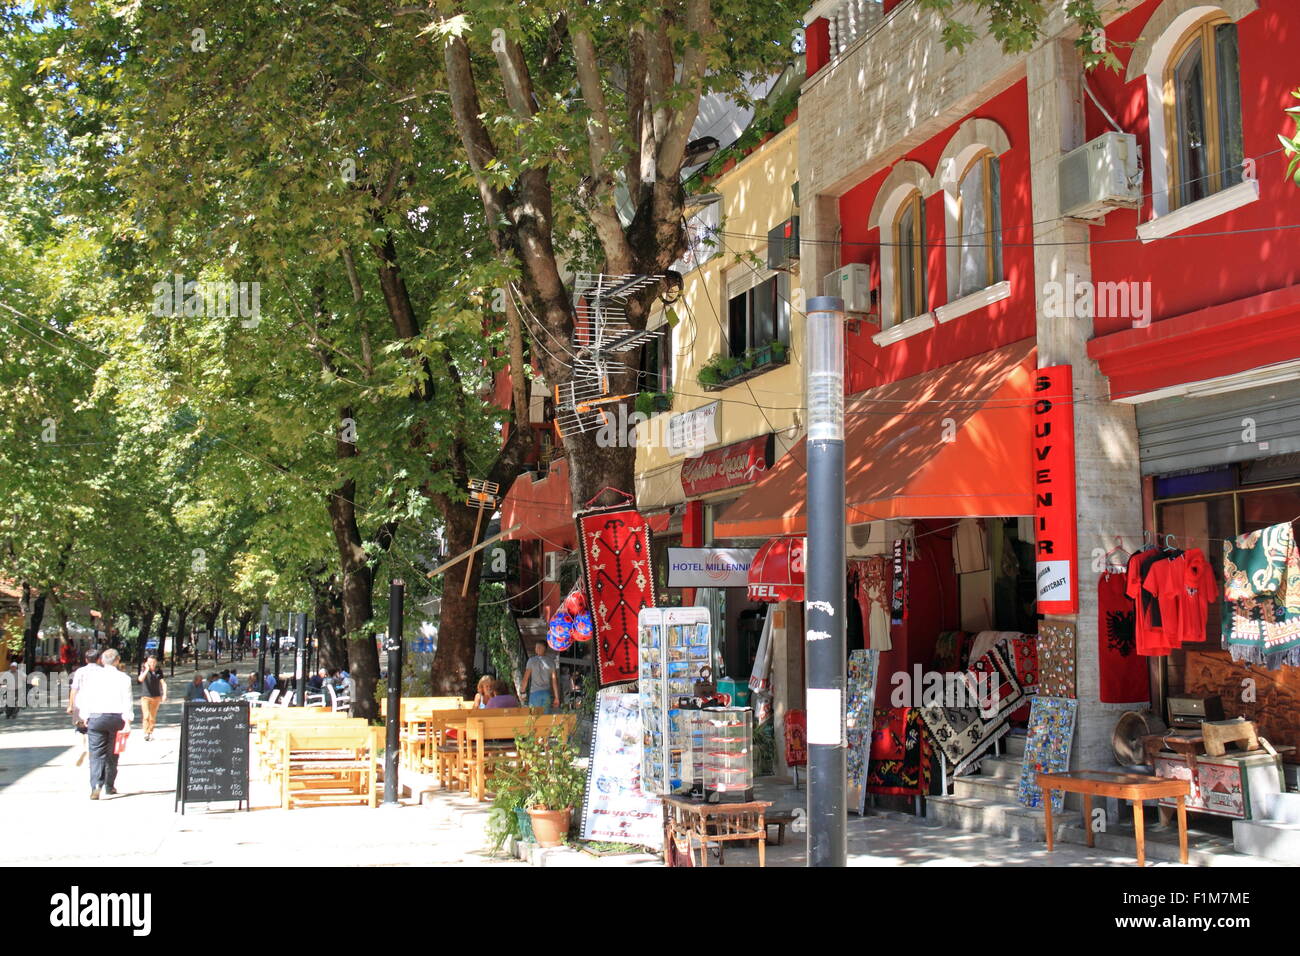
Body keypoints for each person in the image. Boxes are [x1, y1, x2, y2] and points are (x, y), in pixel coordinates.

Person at [77, 648, 133, 799]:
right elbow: (127, 701)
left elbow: (84, 697)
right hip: (116, 718)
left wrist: (85, 716)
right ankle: (109, 785)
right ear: (117, 661)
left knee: (96, 754)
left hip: (96, 717)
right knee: (113, 754)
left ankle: (96, 784)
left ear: (101, 660)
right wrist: (128, 721)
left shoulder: (92, 677)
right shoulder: (124, 678)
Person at [519, 641, 560, 714]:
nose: (536, 649)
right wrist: (556, 697)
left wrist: (522, 692)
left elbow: (525, 679)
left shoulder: (531, 661)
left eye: (538, 647)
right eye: (536, 647)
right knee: (545, 719)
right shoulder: (551, 662)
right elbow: (554, 681)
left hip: (535, 693)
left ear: (544, 648)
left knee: (533, 720)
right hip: (546, 693)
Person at [137, 656, 167, 741]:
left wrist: (164, 694)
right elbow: (140, 679)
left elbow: (163, 683)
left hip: (156, 696)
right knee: (146, 715)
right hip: (145, 696)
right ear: (147, 662)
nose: (152, 664)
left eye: (154, 662)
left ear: (156, 662)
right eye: (150, 662)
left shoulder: (158, 671)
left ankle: (150, 732)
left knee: (152, 716)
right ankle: (145, 732)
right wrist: (146, 669)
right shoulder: (144, 670)